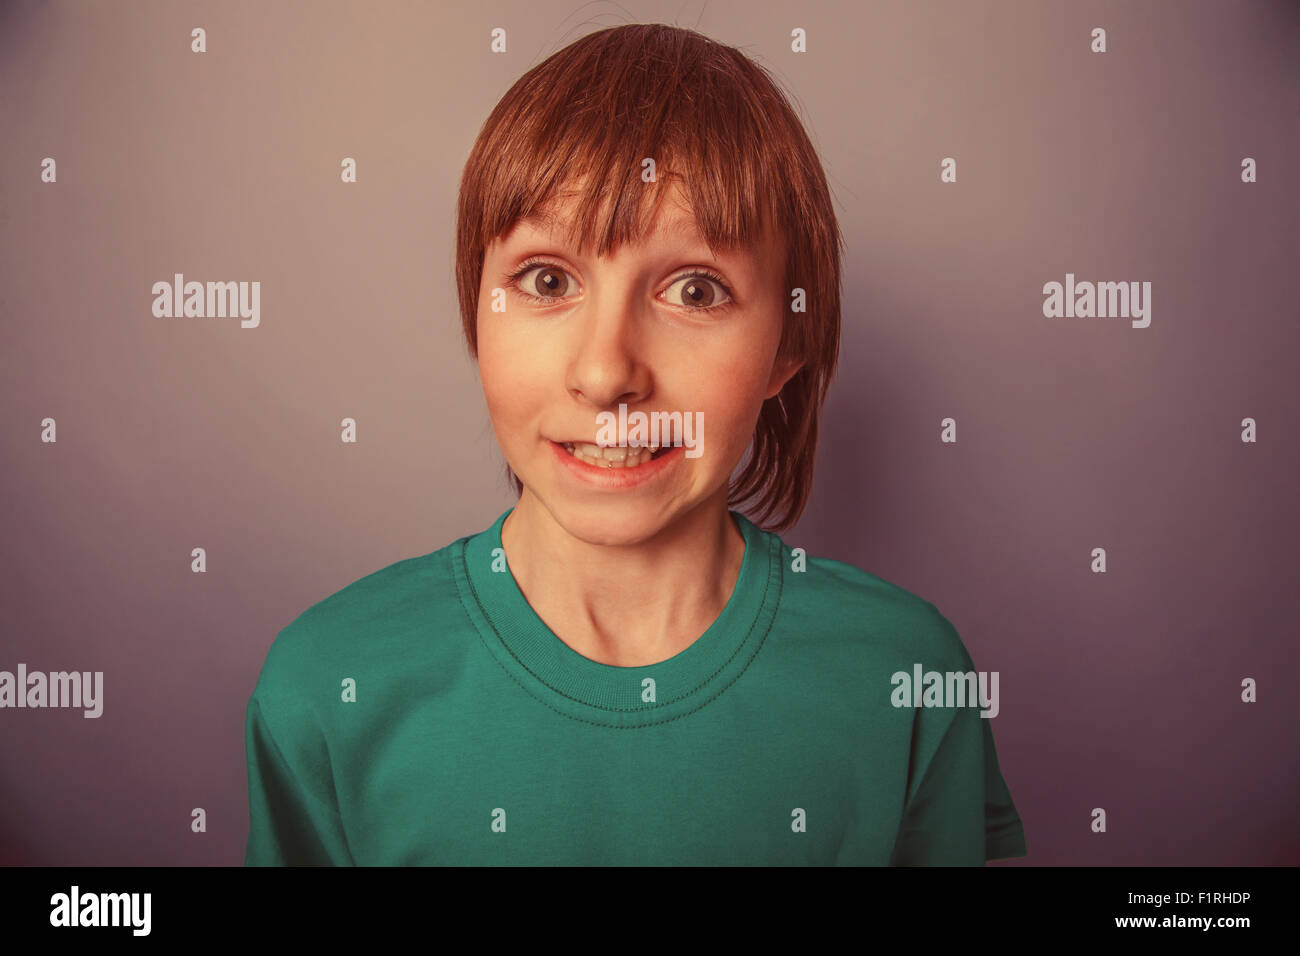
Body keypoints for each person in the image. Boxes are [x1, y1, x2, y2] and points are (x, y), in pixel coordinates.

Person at [244, 22, 1026, 865]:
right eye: (547, 280)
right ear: (478, 308)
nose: (606, 370)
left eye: (696, 290)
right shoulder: (328, 684)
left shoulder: (906, 678)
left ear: (787, 347)